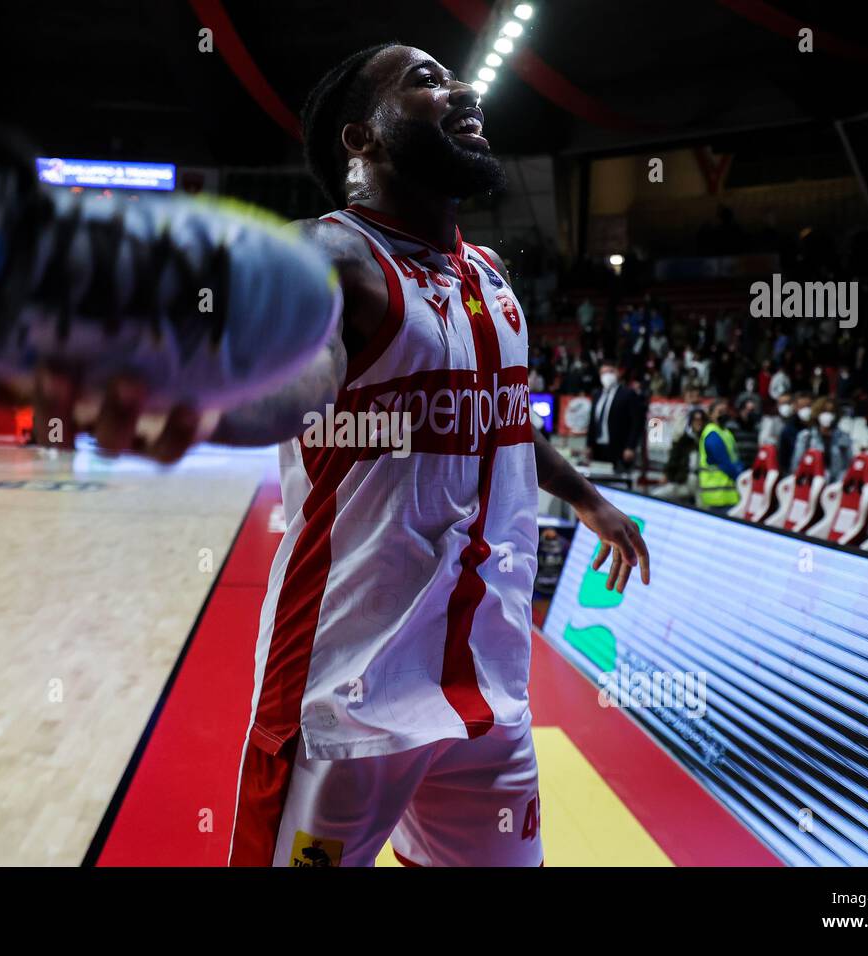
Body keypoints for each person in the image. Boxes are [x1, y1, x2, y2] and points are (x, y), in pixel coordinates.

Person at [209, 43, 649, 867]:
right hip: (347, 696)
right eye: (425, 80)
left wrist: (588, 498)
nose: (462, 88)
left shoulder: (487, 272)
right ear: (360, 140)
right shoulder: (325, 258)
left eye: (452, 75)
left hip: (488, 693)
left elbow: (505, 419)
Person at [588, 362, 644, 474]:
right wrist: (589, 445)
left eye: (610, 371)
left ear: (617, 373)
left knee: (618, 482)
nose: (606, 375)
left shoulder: (628, 394)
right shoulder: (597, 395)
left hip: (619, 448)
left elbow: (637, 422)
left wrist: (631, 446)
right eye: (603, 373)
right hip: (598, 448)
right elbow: (593, 422)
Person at [652, 408, 706, 505]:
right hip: (684, 478)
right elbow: (674, 458)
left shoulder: (706, 439)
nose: (699, 423)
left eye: (701, 420)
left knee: (702, 506)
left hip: (702, 480)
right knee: (657, 494)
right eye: (696, 420)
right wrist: (667, 474)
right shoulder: (684, 440)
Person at [792, 396, 853, 481]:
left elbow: (848, 465)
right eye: (824, 411)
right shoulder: (806, 437)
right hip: (811, 482)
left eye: (831, 412)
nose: (827, 415)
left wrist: (839, 483)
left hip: (835, 484)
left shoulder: (844, 437)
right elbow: (797, 464)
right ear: (817, 413)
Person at [698, 399, 742, 512]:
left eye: (725, 412)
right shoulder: (712, 434)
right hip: (718, 494)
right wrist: (740, 477)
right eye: (720, 412)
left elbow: (735, 457)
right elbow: (724, 463)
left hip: (727, 492)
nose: (723, 415)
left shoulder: (726, 432)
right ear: (711, 415)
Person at [777, 392, 813, 474]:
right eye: (802, 407)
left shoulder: (817, 429)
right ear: (796, 408)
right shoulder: (788, 431)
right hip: (793, 473)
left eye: (808, 406)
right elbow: (783, 459)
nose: (805, 410)